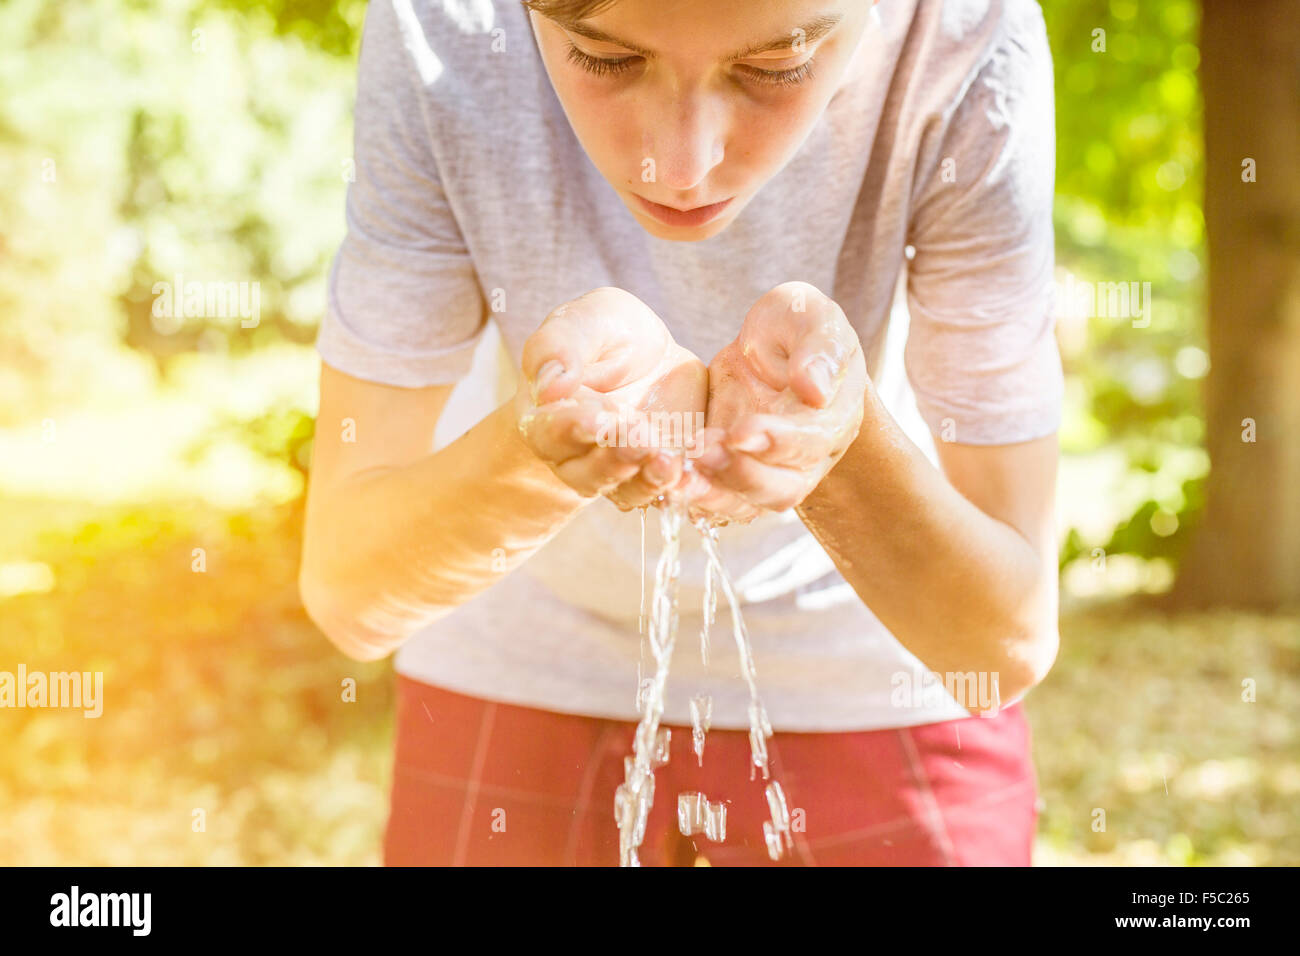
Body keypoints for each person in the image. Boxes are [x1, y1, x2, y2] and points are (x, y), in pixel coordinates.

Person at [300, 0, 1064, 866]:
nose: (684, 165)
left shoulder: (965, 32)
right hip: (521, 664)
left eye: (776, 68)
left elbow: (1005, 642)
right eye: (603, 58)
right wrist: (552, 442)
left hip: (874, 677)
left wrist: (836, 448)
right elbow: (350, 593)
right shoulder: (441, 26)